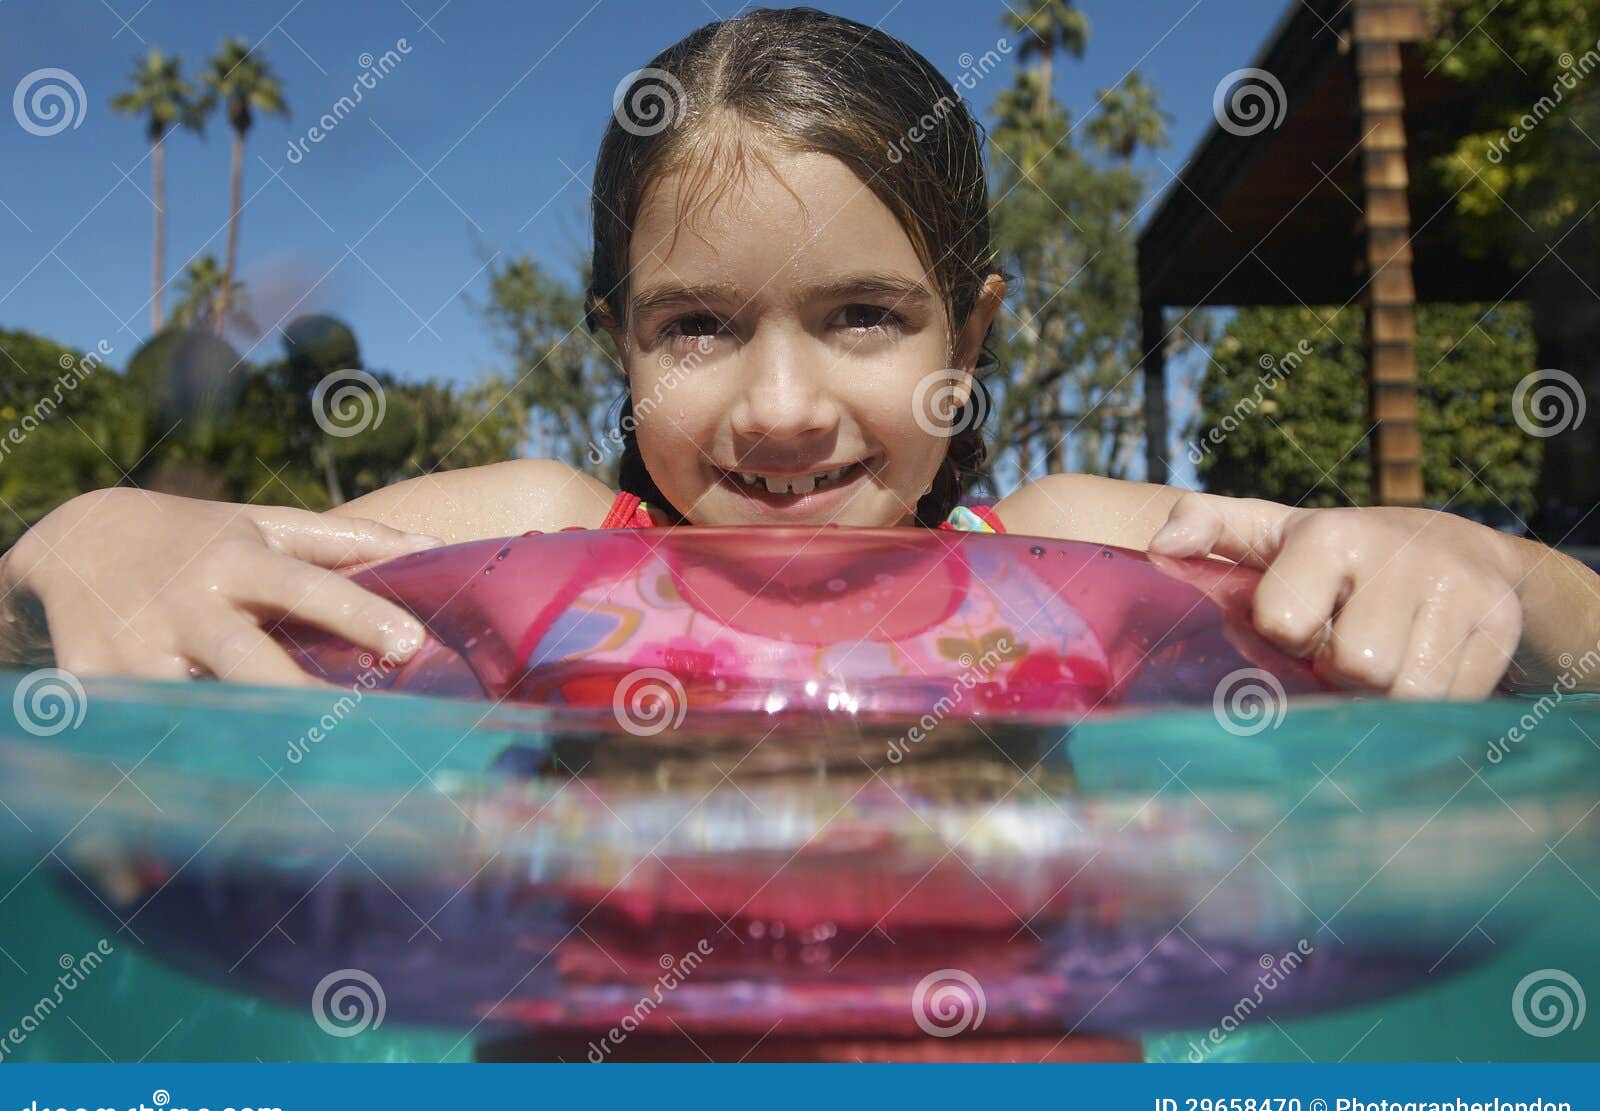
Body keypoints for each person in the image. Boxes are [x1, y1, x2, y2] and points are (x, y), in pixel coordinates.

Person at [3, 7, 1594, 698]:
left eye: (862, 317)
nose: (778, 410)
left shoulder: (1065, 549)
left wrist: (1481, 569)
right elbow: (134, 603)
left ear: (970, 335)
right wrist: (75, 548)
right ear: (614, 344)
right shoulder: (538, 536)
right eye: (697, 324)